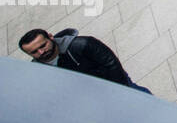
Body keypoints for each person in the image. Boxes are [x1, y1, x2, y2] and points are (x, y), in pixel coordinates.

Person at [20, 28, 151, 93]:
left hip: (114, 86)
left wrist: (120, 90)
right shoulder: (37, 72)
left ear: (50, 37)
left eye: (43, 46)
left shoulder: (82, 44)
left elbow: (112, 64)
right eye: (34, 52)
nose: (41, 52)